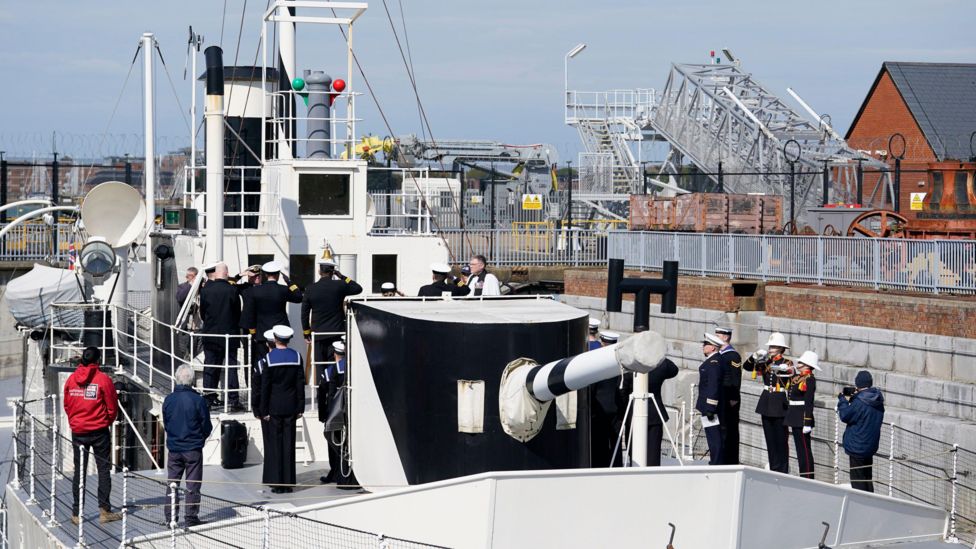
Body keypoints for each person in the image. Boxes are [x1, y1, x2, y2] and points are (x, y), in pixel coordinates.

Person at [63, 347, 122, 525]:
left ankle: (76, 513)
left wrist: (76, 421)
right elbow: (112, 407)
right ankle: (104, 511)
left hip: (78, 431)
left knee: (79, 472)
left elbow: (67, 405)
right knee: (103, 470)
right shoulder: (103, 380)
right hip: (99, 431)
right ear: (98, 360)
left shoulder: (71, 380)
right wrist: (105, 421)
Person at [162, 364, 213, 528]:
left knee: (172, 483)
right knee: (193, 484)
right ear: (191, 381)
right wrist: (200, 439)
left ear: (177, 379)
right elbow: (206, 426)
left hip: (175, 448)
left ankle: (171, 518)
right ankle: (190, 517)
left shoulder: (168, 400)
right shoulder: (198, 400)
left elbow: (167, 423)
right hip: (192, 449)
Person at [258, 325, 306, 493]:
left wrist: (263, 411)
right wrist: (301, 407)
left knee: (277, 445)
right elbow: (300, 384)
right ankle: (289, 482)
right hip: (292, 407)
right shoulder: (297, 357)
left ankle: (278, 484)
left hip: (274, 407)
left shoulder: (269, 359)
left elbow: (265, 388)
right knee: (289, 445)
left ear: (275, 339)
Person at [301, 257, 362, 382]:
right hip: (336, 332)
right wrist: (342, 276)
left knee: (319, 364)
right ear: (332, 271)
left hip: (318, 334)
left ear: (319, 271)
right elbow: (357, 288)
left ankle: (320, 394)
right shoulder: (339, 286)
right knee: (335, 363)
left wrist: (306, 332)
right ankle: (335, 392)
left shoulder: (310, 288)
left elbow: (305, 313)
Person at [742, 332, 793, 473]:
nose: (771, 348)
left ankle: (782, 468)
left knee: (781, 439)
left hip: (779, 402)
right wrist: (754, 356)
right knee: (770, 439)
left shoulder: (786, 362)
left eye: (774, 346)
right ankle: (773, 465)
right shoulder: (765, 362)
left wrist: (785, 370)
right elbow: (747, 367)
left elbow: (791, 373)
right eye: (770, 346)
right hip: (766, 402)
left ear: (781, 349)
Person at [241, 260, 303, 372]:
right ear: (278, 275)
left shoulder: (255, 291)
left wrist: (253, 333)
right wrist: (289, 282)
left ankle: (260, 386)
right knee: (281, 360)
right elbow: (299, 297)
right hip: (280, 333)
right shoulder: (283, 290)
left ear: (265, 274)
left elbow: (249, 314)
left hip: (261, 332)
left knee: (261, 361)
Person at [199, 262, 243, 411]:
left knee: (210, 366)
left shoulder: (205, 290)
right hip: (229, 335)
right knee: (231, 367)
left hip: (211, 334)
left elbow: (202, 313)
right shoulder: (232, 290)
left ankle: (209, 397)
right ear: (226, 273)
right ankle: (233, 400)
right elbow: (237, 312)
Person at [838, 370, 885, 492]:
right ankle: (870, 504)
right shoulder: (878, 400)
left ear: (857, 384)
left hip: (857, 445)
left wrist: (843, 400)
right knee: (867, 478)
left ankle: (861, 507)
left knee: (857, 481)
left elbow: (845, 416)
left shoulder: (859, 402)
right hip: (870, 446)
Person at [787, 351, 820, 479]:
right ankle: (803, 474)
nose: (798, 363)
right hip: (795, 416)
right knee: (800, 450)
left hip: (801, 418)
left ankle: (807, 476)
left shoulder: (809, 379)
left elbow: (808, 402)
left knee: (805, 451)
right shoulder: (798, 377)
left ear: (807, 365)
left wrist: (807, 422)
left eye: (800, 362)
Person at [318, 340, 347, 484]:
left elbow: (322, 394)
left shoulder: (329, 372)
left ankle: (335, 472)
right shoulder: (351, 368)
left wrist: (322, 415)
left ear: (334, 353)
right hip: (348, 412)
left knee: (333, 443)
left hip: (334, 412)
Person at [714, 327, 742, 465]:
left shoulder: (732, 356)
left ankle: (731, 460)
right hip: (722, 397)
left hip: (730, 399)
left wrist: (733, 398)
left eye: (718, 335)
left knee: (730, 430)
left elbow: (735, 379)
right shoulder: (720, 354)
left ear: (725, 337)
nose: (716, 337)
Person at [697, 334, 725, 465]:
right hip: (707, 405)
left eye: (705, 344)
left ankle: (716, 461)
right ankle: (715, 460)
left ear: (713, 347)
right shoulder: (712, 361)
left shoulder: (714, 363)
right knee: (711, 434)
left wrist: (710, 407)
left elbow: (713, 385)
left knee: (714, 435)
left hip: (710, 406)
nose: (703, 347)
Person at [252, 329, 276, 484]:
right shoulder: (295, 358)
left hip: (267, 409)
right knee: (286, 445)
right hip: (286, 409)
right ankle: (287, 479)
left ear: (267, 344)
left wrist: (257, 409)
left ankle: (270, 477)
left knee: (269, 444)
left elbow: (257, 389)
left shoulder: (261, 364)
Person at [646, 358, 679, 466]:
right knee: (653, 451)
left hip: (634, 412)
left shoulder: (631, 367)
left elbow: (622, 391)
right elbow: (674, 369)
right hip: (655, 412)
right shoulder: (657, 366)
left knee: (634, 449)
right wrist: (659, 356)